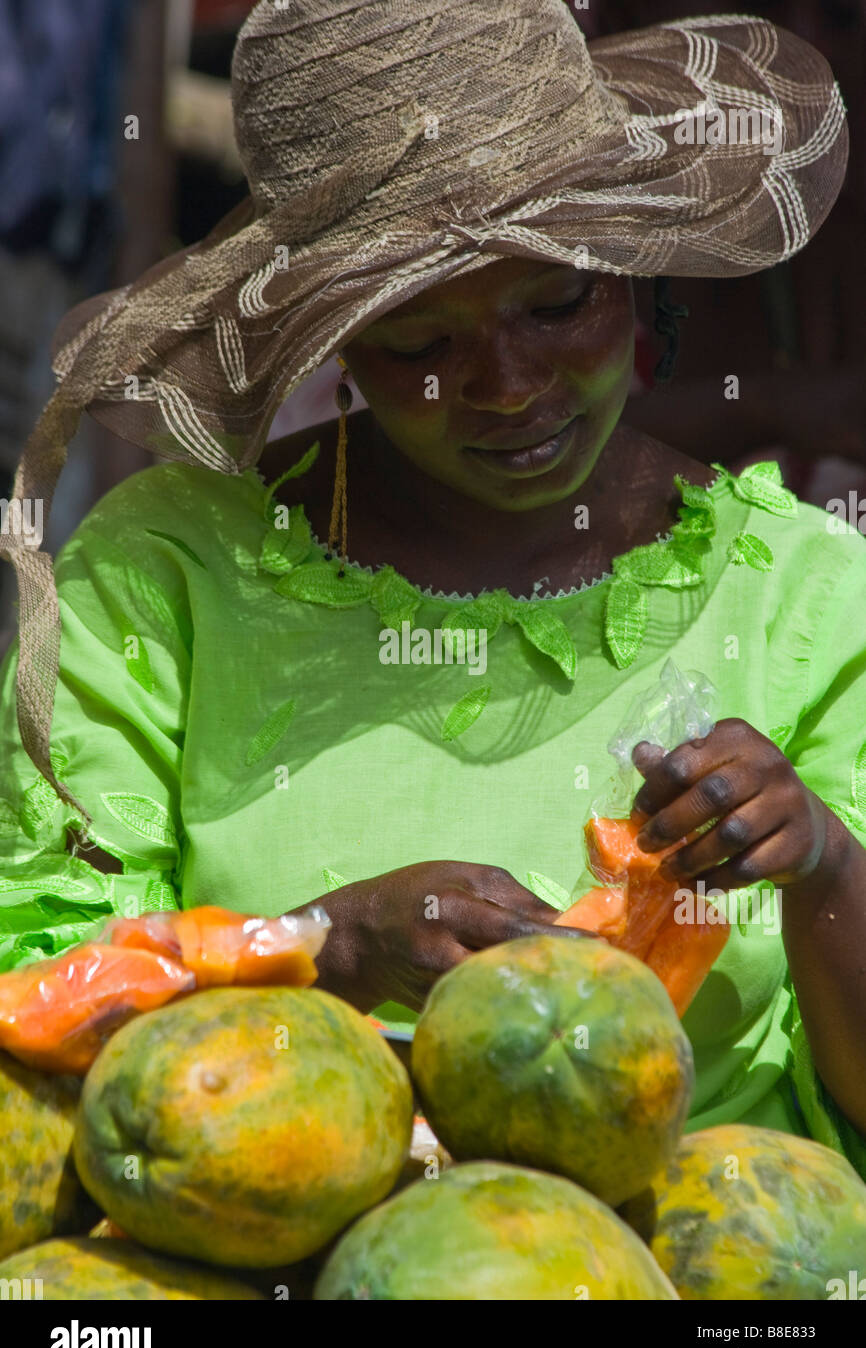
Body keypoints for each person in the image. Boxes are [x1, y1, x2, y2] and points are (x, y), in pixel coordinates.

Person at [1, 1, 865, 1180]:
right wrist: (314, 948)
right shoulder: (168, 576)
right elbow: (35, 1001)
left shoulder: (806, 598)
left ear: (627, 270)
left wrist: (819, 857)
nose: (505, 387)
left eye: (555, 304)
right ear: (334, 351)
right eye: (417, 344)